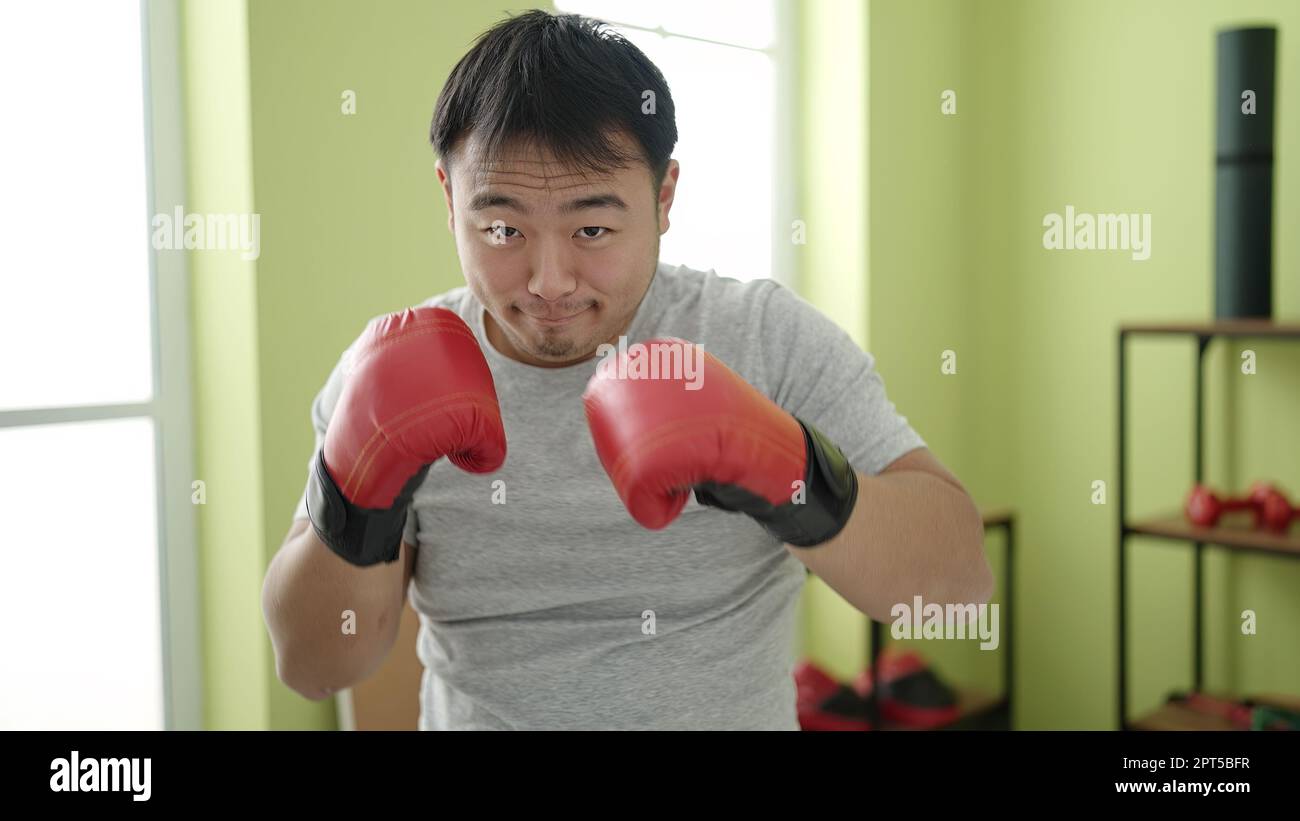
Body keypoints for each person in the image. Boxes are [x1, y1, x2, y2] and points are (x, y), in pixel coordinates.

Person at [261, 9, 992, 730]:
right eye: (504, 228)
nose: (550, 279)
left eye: (592, 229)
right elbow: (313, 664)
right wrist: (355, 489)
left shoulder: (762, 336)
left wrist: (787, 468)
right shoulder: (391, 369)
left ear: (664, 197)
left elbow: (957, 588)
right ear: (450, 200)